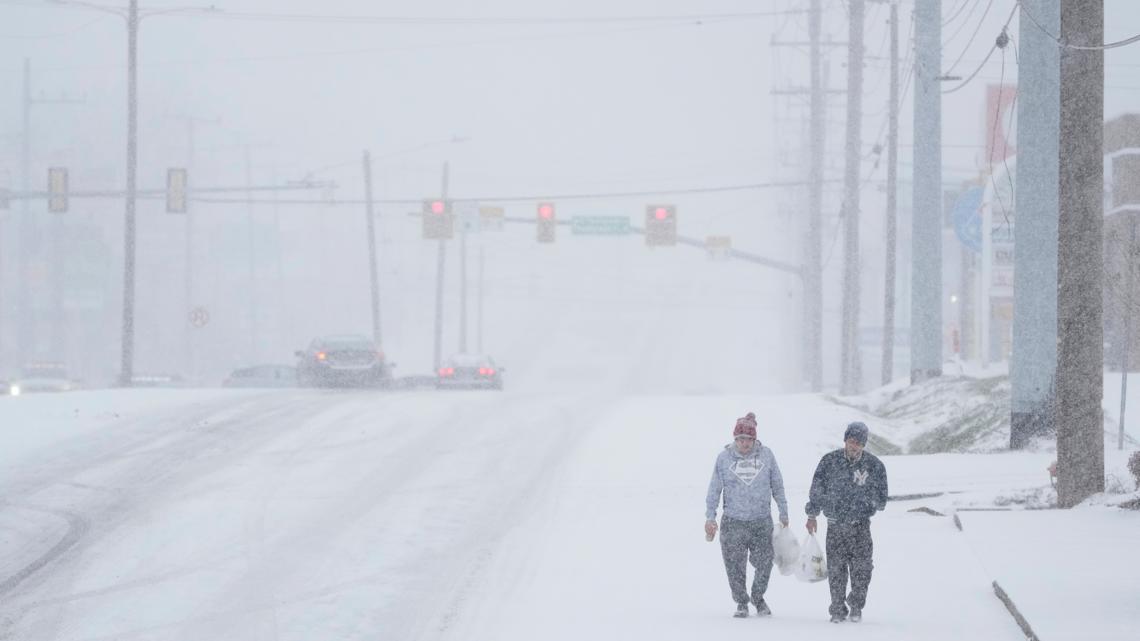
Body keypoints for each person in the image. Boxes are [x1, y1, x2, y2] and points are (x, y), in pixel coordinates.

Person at [705, 412, 790, 618]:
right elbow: (714, 489)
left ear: (754, 439)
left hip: (761, 520)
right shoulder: (724, 458)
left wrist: (783, 510)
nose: (744, 443)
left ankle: (758, 597)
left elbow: (777, 484)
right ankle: (742, 602)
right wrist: (710, 516)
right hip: (733, 521)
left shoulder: (766, 455)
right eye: (740, 439)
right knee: (734, 566)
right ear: (735, 439)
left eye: (748, 439)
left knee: (764, 562)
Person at [804, 421, 888, 623]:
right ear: (845, 440)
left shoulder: (874, 465)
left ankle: (856, 604)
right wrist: (812, 515)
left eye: (859, 442)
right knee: (836, 570)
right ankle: (837, 609)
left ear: (864, 444)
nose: (854, 445)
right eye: (851, 441)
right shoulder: (829, 461)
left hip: (860, 526)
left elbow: (882, 499)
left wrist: (866, 500)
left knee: (863, 569)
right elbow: (816, 490)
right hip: (835, 526)